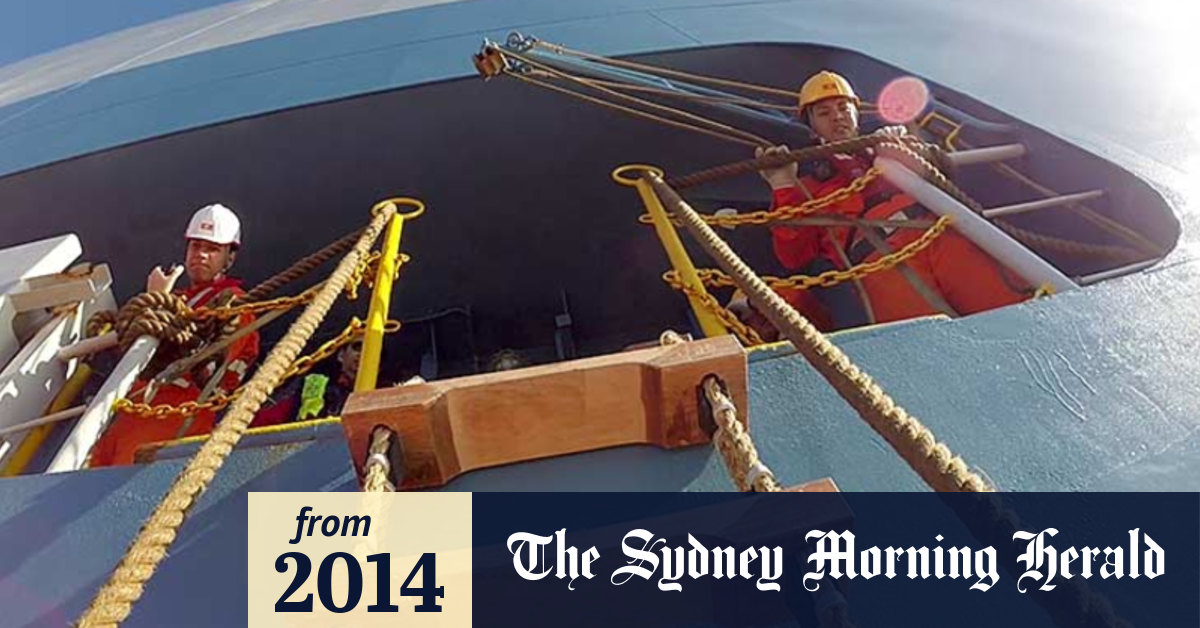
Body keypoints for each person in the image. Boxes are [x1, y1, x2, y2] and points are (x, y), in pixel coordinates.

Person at [744, 70, 1029, 332]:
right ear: (812, 125)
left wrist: (905, 148)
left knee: (1013, 315)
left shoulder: (886, 149)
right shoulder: (805, 186)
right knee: (929, 350)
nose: (837, 117)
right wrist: (782, 183)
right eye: (824, 112)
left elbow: (941, 178)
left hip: (937, 237)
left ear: (856, 113)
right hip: (882, 266)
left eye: (844, 108)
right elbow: (795, 256)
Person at [89, 204, 260, 466]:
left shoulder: (236, 305)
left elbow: (205, 362)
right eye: (195, 246)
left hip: (177, 421)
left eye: (212, 249)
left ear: (230, 258)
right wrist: (154, 302)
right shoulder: (177, 299)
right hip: (127, 416)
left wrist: (157, 302)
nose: (201, 255)